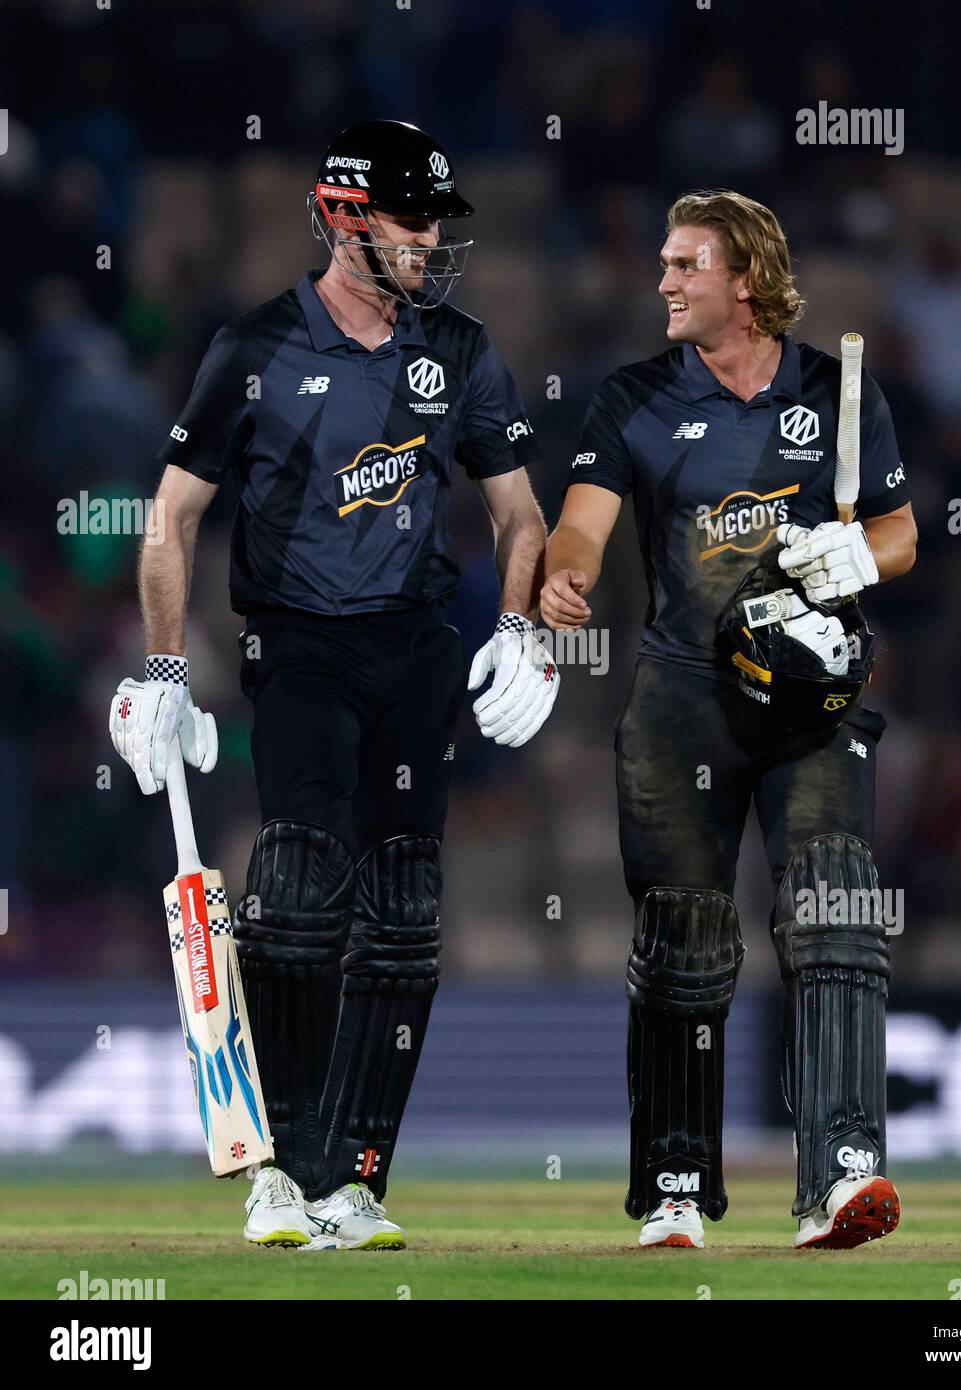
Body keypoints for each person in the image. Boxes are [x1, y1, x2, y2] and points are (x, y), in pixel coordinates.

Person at [109, 120, 558, 1251]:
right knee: (299, 895)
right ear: (348, 217)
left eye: (435, 224)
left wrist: (518, 628)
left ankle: (352, 1178)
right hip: (300, 646)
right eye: (412, 221)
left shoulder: (457, 348)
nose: (430, 244)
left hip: (415, 654)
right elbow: (171, 514)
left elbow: (520, 514)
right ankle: (276, 1172)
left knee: (405, 922)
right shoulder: (256, 346)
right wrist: (165, 668)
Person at [541, 189, 916, 1250]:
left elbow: (899, 531)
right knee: (682, 941)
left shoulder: (838, 395)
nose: (662, 281)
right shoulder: (631, 399)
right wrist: (566, 583)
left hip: (815, 693)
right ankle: (673, 1184)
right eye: (662, 263)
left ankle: (842, 1174)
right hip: (682, 700)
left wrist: (861, 554)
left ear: (743, 276)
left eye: (683, 264)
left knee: (836, 911)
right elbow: (580, 528)